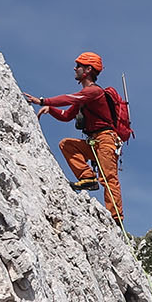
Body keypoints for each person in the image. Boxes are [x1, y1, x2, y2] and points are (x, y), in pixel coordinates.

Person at [31, 52, 125, 224]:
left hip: (106, 140)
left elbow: (69, 98)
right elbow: (67, 115)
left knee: (108, 178)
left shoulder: (94, 92)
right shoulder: (84, 97)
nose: (75, 69)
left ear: (88, 70)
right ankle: (87, 178)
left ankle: (116, 219)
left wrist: (44, 101)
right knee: (66, 145)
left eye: (78, 66)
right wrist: (51, 110)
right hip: (95, 141)